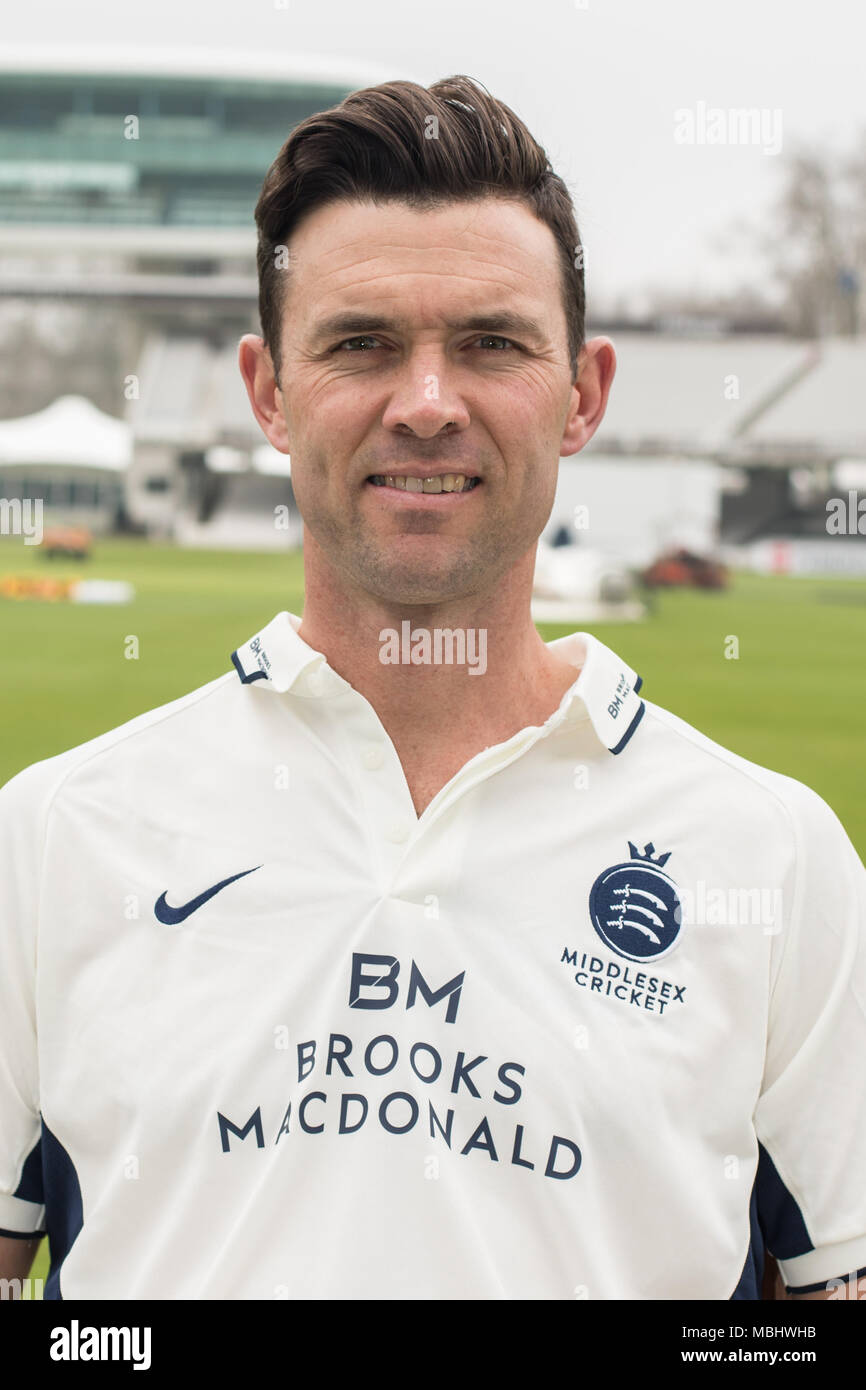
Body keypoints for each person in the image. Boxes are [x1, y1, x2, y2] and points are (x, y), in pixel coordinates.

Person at [1, 74, 864, 1302]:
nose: (424, 404)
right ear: (266, 393)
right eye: (360, 345)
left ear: (583, 395)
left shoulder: (774, 861)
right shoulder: (49, 839)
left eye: (490, 345)